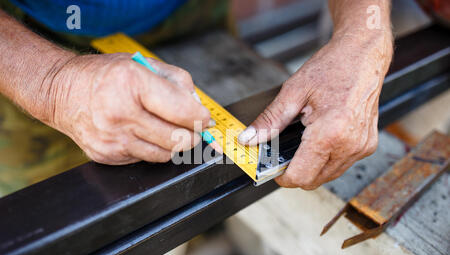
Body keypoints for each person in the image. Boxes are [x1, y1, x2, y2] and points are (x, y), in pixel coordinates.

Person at [0, 0, 393, 196]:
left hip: (191, 13)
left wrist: (363, 34)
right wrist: (52, 86)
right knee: (52, 239)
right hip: (23, 41)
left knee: (191, 188)